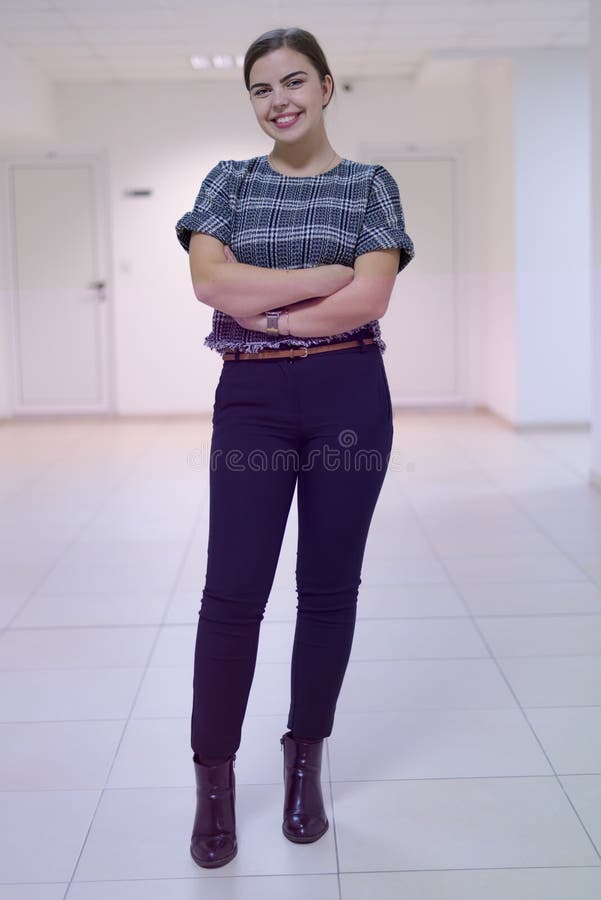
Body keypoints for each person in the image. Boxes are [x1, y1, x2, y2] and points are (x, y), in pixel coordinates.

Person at [175, 26, 415, 869]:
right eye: (260, 88)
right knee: (231, 593)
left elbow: (370, 297)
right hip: (250, 400)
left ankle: (303, 758)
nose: (278, 100)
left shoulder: (368, 186)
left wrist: (268, 309)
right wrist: (323, 276)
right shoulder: (228, 182)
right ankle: (213, 781)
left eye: (293, 82)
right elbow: (210, 283)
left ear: (324, 87)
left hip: (349, 395)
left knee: (327, 589)